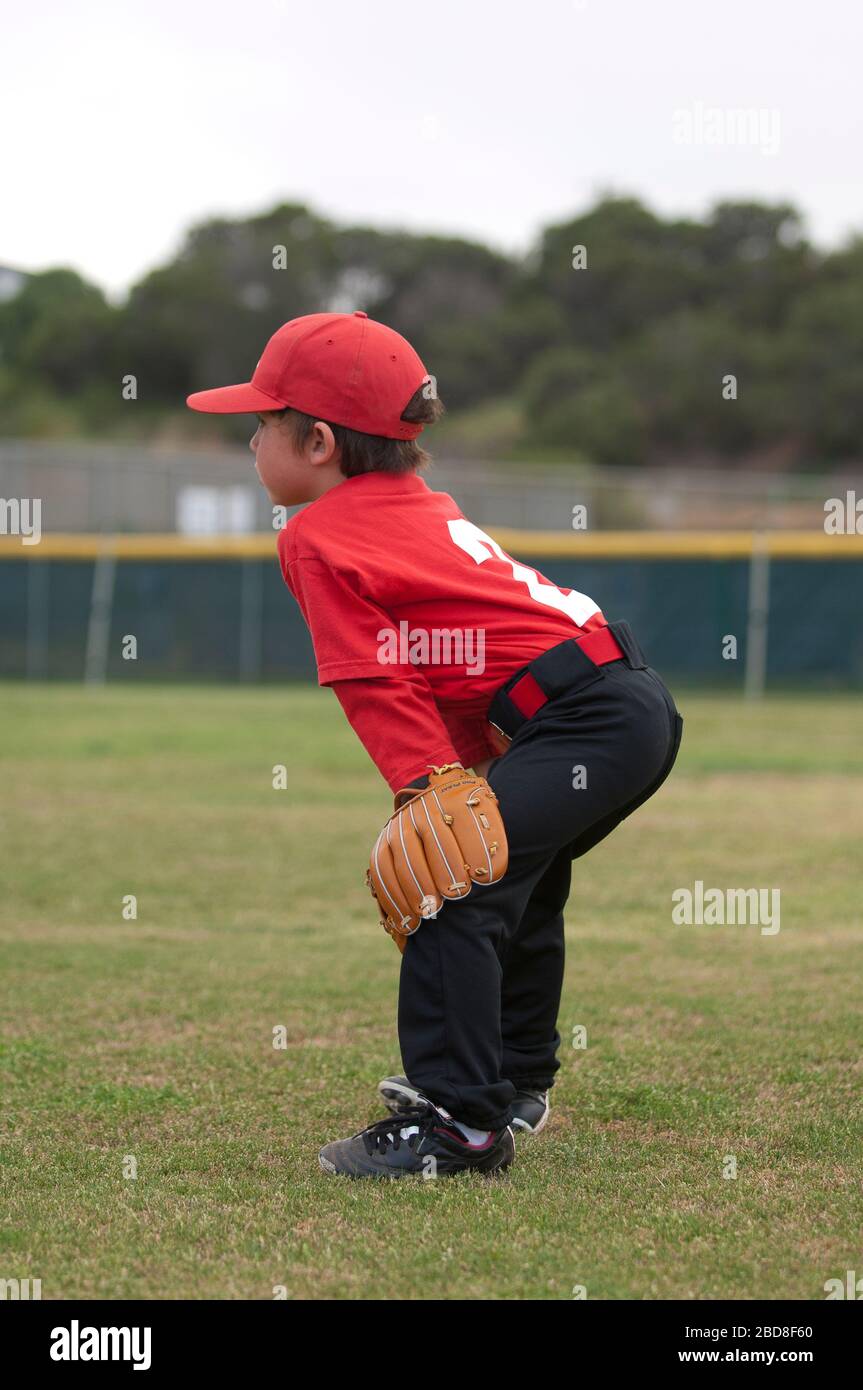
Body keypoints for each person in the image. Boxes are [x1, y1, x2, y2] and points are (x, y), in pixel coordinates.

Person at [187, 310, 683, 1179]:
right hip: (619, 705)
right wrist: (462, 774)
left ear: (315, 442)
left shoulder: (315, 534)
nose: (250, 440)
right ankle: (510, 1081)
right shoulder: (415, 503)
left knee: (452, 880)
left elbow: (376, 675)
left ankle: (460, 1124)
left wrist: (427, 787)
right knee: (511, 879)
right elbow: (447, 662)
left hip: (581, 719)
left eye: (259, 424)